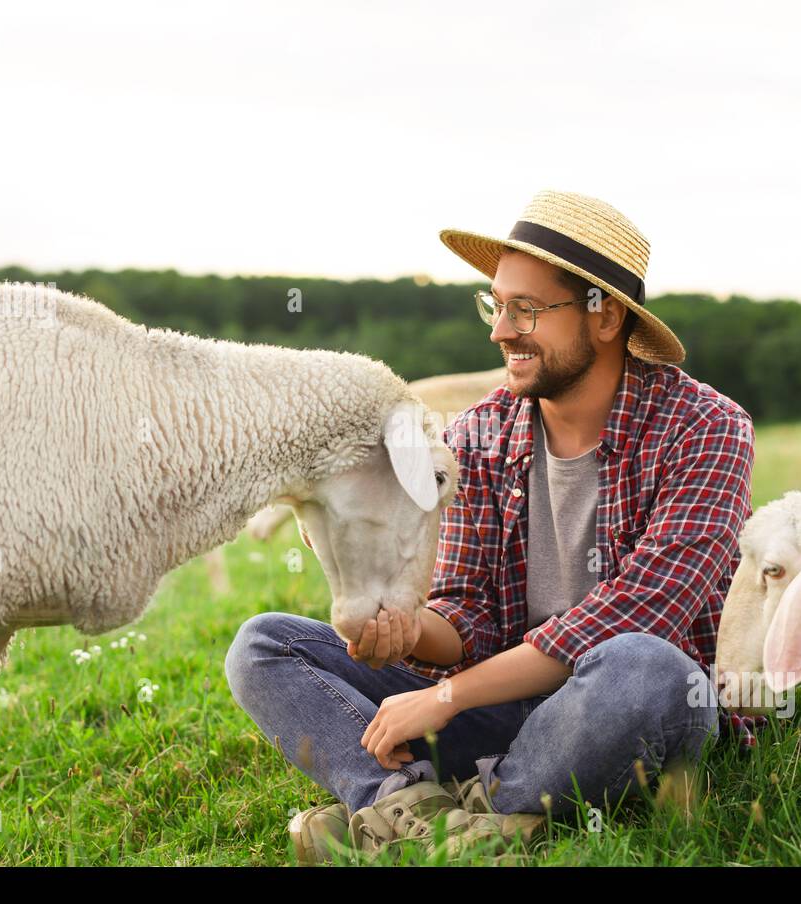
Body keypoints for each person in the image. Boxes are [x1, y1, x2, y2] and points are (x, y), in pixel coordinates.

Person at [226, 190, 761, 863]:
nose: (500, 331)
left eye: (526, 309)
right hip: (498, 707)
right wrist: (406, 625)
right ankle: (437, 812)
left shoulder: (708, 430)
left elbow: (643, 613)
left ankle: (417, 810)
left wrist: (447, 697)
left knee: (649, 668)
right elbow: (468, 611)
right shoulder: (479, 433)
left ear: (605, 315)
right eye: (496, 304)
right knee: (264, 645)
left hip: (619, 705)